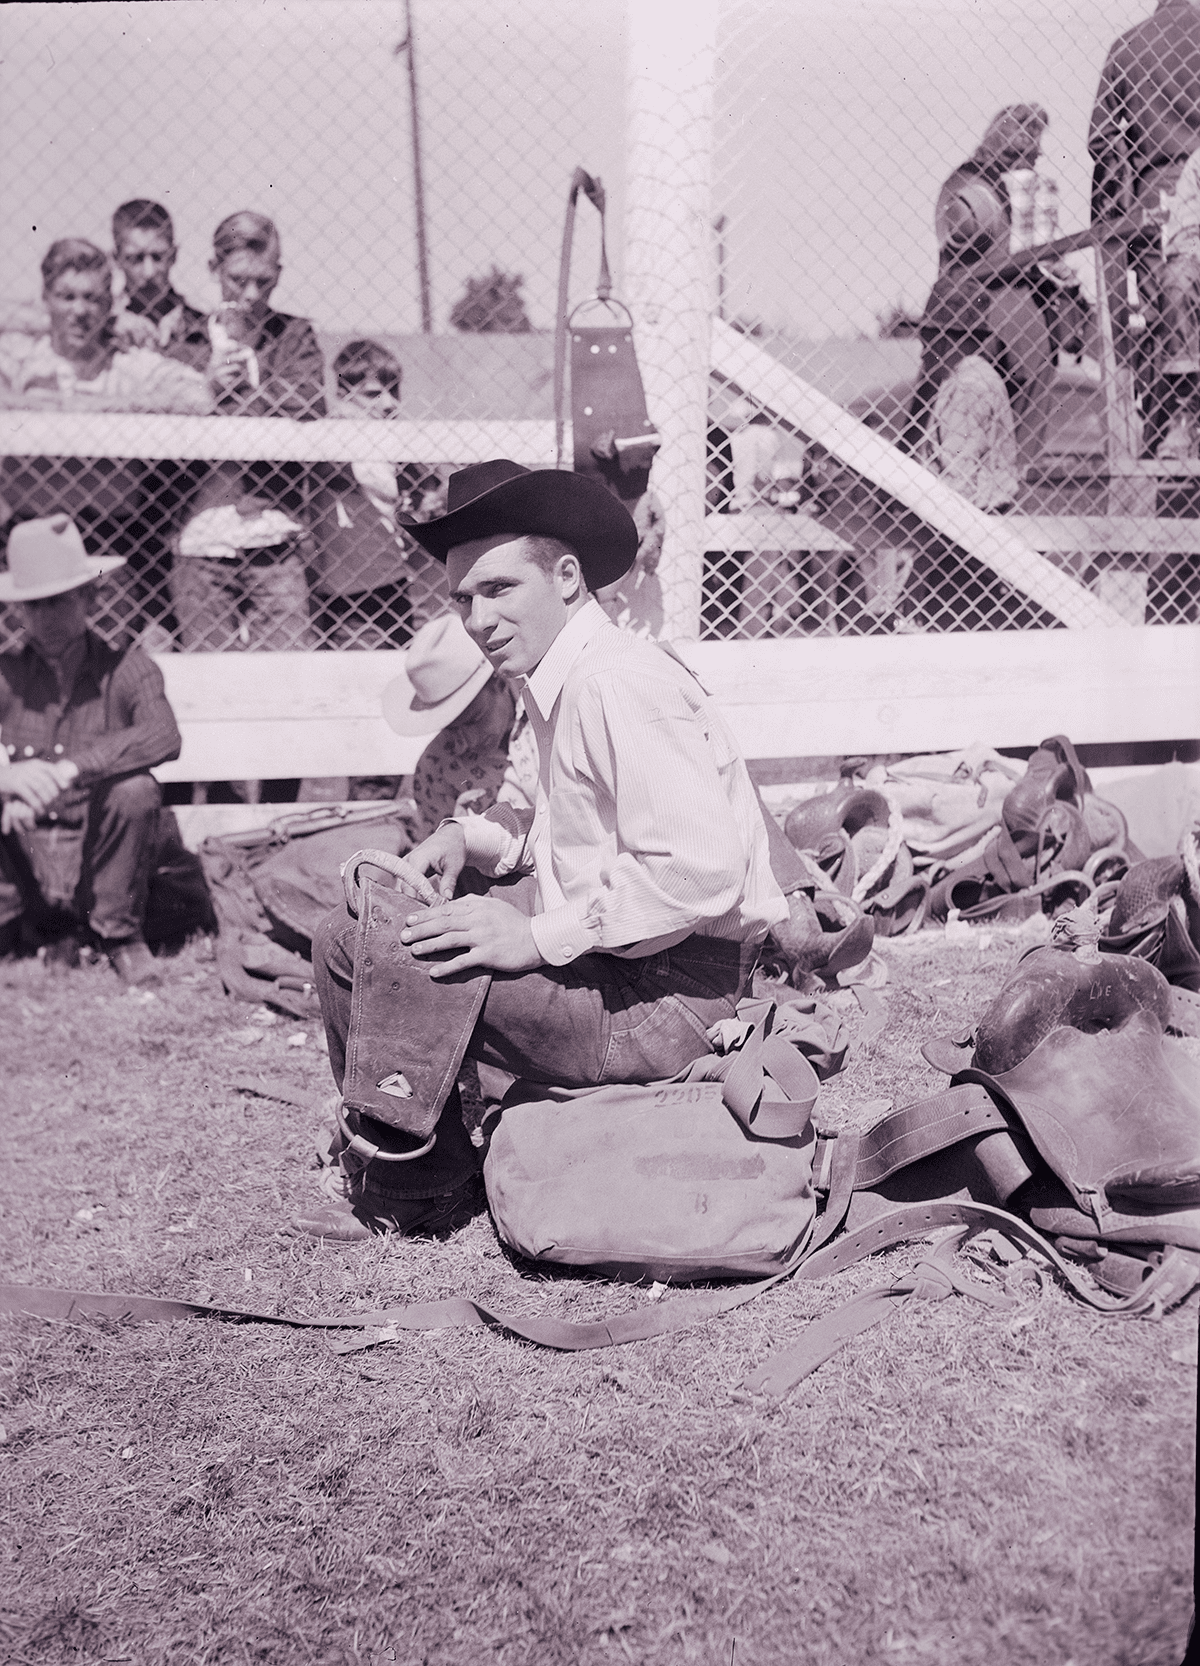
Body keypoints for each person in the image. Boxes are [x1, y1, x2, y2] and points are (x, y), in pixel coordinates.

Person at [298, 459, 788, 1240]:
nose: (478, 618)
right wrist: (465, 837)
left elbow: (698, 872)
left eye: (499, 589)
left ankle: (418, 1187)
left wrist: (532, 936)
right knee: (391, 918)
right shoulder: (561, 672)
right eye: (463, 599)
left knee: (351, 945)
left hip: (673, 1004)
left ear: (566, 577)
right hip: (637, 969)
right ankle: (425, 1143)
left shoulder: (615, 684)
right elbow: (555, 819)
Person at [0, 515, 182, 984]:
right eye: (33, 605)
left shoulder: (129, 669)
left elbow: (163, 734)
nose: (45, 617)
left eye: (58, 601)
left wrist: (70, 769)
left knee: (136, 789)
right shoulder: (5, 674)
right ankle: (25, 928)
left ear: (89, 597)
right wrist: (5, 779)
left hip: (99, 858)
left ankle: (119, 936)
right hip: (25, 857)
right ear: (17, 611)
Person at [169, 212, 324, 652]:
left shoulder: (294, 336)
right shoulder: (187, 340)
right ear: (213, 268)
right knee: (210, 676)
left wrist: (230, 394)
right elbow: (165, 408)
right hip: (200, 539)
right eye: (238, 280)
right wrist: (206, 384)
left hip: (273, 537)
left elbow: (310, 399)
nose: (252, 294)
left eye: (264, 281)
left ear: (279, 273)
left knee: (288, 670)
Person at [903, 105, 1058, 475]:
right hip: (985, 305)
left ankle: (1002, 477)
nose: (1038, 155)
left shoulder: (970, 180)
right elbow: (1026, 252)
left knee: (935, 405)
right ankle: (1011, 476)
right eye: (1032, 146)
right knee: (942, 403)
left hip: (971, 306)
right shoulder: (994, 185)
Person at [1089, 2, 1200, 456]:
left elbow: (1101, 138)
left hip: (1156, 195)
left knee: (1164, 319)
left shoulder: (1130, 44)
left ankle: (1171, 433)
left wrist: (1124, 186)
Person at [0, 239, 211, 414]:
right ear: (46, 298)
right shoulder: (19, 358)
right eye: (67, 297)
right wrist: (49, 407)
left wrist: (101, 405)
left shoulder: (126, 363)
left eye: (92, 299)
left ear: (109, 304)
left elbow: (199, 396)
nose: (80, 311)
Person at [310, 340, 417, 649]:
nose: (389, 404)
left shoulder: (394, 442)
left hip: (393, 581)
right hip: (346, 591)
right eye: (373, 394)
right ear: (343, 396)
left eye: (394, 391)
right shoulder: (331, 439)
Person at [380, 612, 519, 838]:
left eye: (473, 719)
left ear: (498, 680)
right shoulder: (436, 766)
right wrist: (456, 837)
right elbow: (436, 845)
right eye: (450, 728)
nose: (465, 742)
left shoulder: (543, 721)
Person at [110, 199, 210, 371]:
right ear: (116, 259)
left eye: (158, 257)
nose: (149, 272)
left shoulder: (201, 321)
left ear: (173, 255)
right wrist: (111, 324)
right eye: (136, 259)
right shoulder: (103, 322)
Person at [925, 335, 1019, 512]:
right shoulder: (979, 374)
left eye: (926, 344)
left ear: (946, 343)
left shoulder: (966, 387)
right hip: (988, 502)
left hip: (968, 509)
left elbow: (959, 468)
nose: (922, 354)